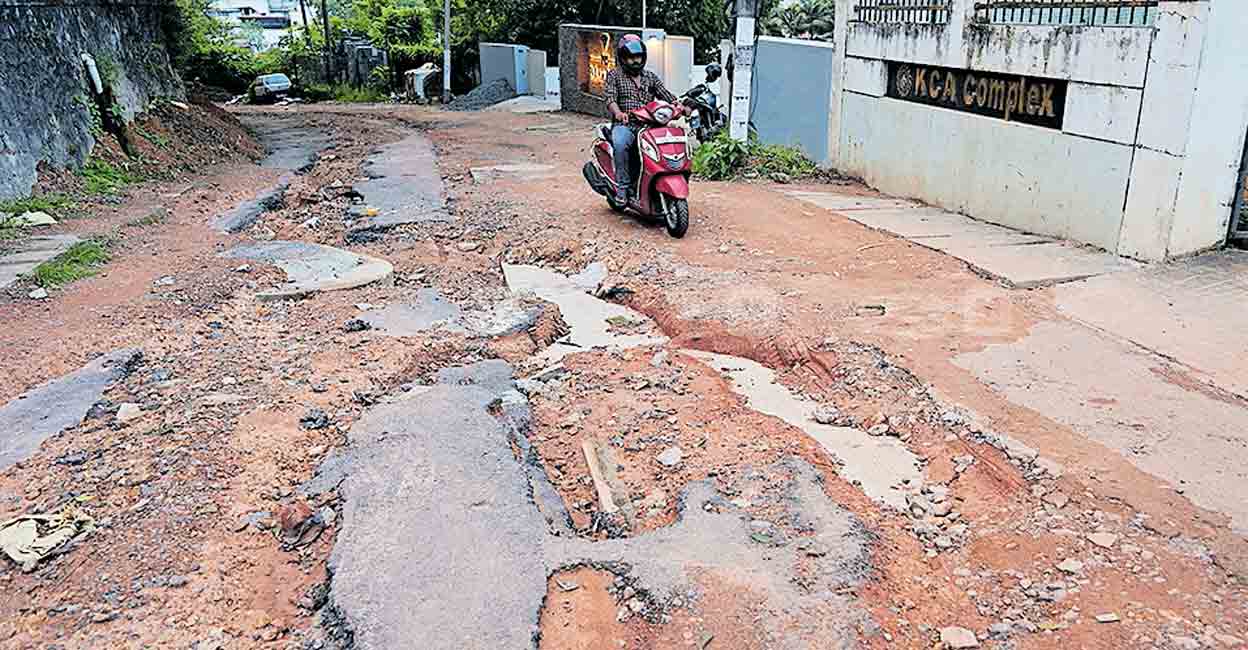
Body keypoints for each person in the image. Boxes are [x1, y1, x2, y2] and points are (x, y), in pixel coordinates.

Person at [604, 34, 684, 205]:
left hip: (649, 126)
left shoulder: (650, 77)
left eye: (638, 57)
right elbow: (610, 98)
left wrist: (679, 105)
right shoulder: (614, 75)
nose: (635, 61)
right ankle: (622, 188)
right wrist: (618, 113)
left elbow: (666, 95)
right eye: (631, 58)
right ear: (623, 58)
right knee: (620, 144)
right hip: (625, 125)